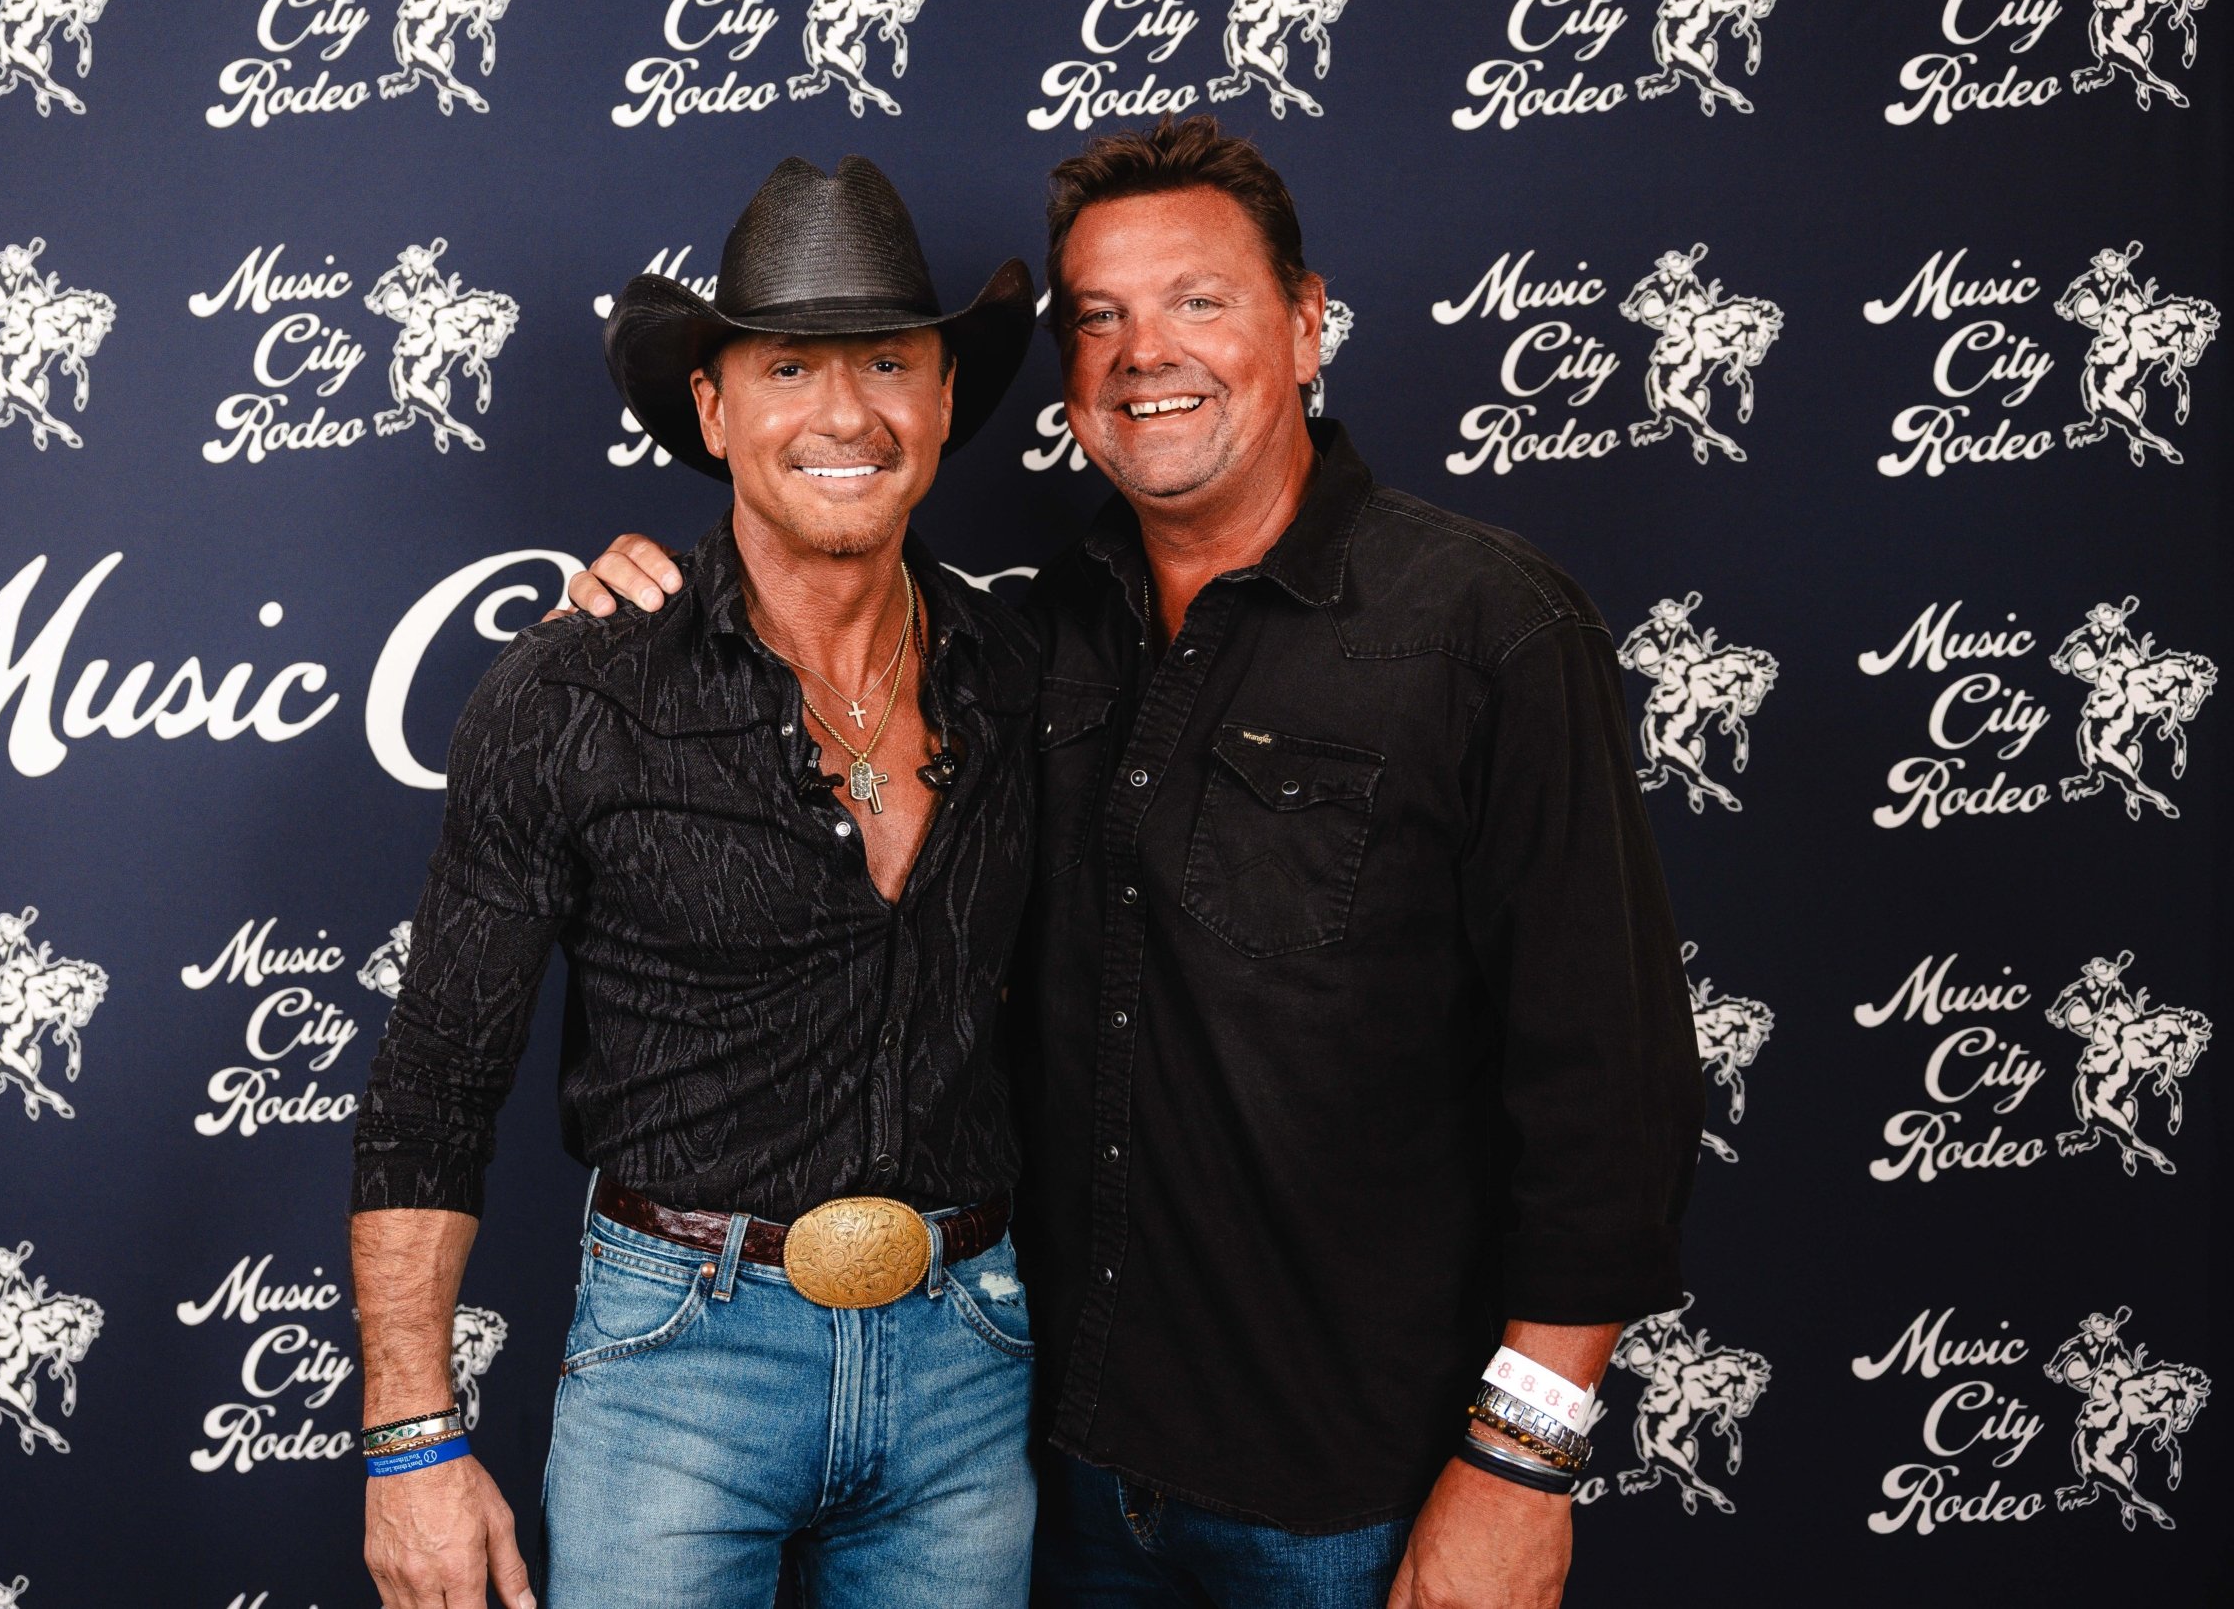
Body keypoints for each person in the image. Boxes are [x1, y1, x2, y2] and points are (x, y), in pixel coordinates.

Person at [566, 115, 1705, 1609]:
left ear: (1306, 324)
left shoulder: (1487, 631)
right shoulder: (1024, 642)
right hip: (1053, 1473)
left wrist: (1521, 1462)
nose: (1142, 352)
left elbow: (1610, 1084)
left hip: (1349, 1494)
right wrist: (653, 611)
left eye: (1198, 301)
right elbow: (814, 623)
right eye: (1097, 317)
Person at [348, 155, 1044, 1609]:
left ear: (944, 401)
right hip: (679, 1363)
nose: (845, 414)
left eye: (888, 364)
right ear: (715, 411)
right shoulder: (571, 693)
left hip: (969, 1362)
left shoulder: (1030, 680)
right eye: (788, 367)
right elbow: (434, 1087)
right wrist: (412, 1442)